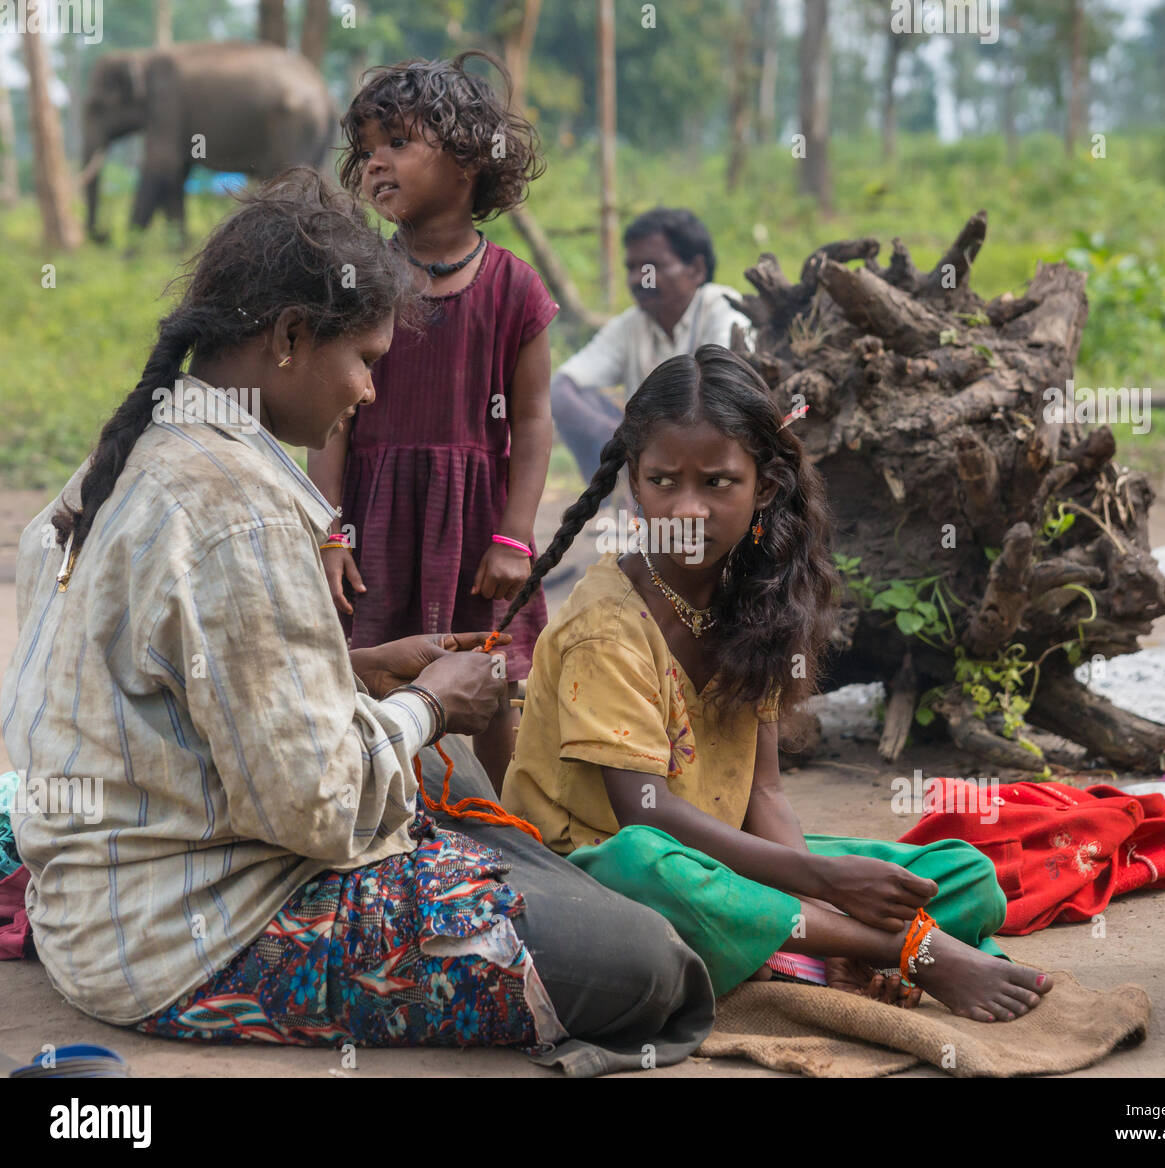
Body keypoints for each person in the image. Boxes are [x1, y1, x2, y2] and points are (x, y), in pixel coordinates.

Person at [0, 172, 713, 1075]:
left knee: (496, 833)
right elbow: (319, 809)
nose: (371, 393)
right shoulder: (241, 513)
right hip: (188, 941)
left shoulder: (136, 453)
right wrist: (426, 705)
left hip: (96, 911)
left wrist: (363, 668)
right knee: (645, 967)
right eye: (367, 361)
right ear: (291, 338)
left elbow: (178, 691)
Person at [497, 345, 1056, 1021]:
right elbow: (642, 816)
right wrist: (831, 886)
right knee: (644, 862)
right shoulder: (605, 625)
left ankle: (807, 945)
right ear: (633, 484)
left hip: (729, 868)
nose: (688, 508)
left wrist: (828, 894)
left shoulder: (756, 597)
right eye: (664, 481)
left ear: (764, 486)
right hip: (592, 876)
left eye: (718, 482)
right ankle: (906, 953)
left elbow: (763, 790)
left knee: (968, 877)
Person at [310, 54, 556, 793]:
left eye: (398, 143)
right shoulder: (359, 278)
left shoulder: (515, 286)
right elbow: (331, 420)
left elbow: (536, 419)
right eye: (366, 150)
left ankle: (522, 832)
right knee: (371, 665)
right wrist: (330, 531)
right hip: (376, 516)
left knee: (489, 676)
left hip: (478, 524)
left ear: (467, 160)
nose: (376, 164)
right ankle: (385, 815)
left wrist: (516, 536)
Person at [551, 208, 754, 484]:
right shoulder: (632, 324)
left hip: (711, 466)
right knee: (574, 398)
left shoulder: (722, 310)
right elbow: (562, 388)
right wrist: (618, 437)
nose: (637, 279)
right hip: (648, 462)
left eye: (649, 267)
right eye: (631, 268)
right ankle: (619, 497)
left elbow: (721, 398)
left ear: (695, 269)